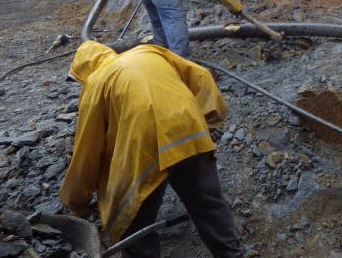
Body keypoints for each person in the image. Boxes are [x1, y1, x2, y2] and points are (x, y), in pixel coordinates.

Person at [59, 40, 243, 258]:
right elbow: (201, 75)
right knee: (208, 205)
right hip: (190, 130)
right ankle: (232, 254)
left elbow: (87, 152)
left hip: (147, 148)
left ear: (84, 71)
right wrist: (210, 117)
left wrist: (77, 202)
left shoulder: (96, 83)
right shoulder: (150, 51)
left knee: (133, 224)